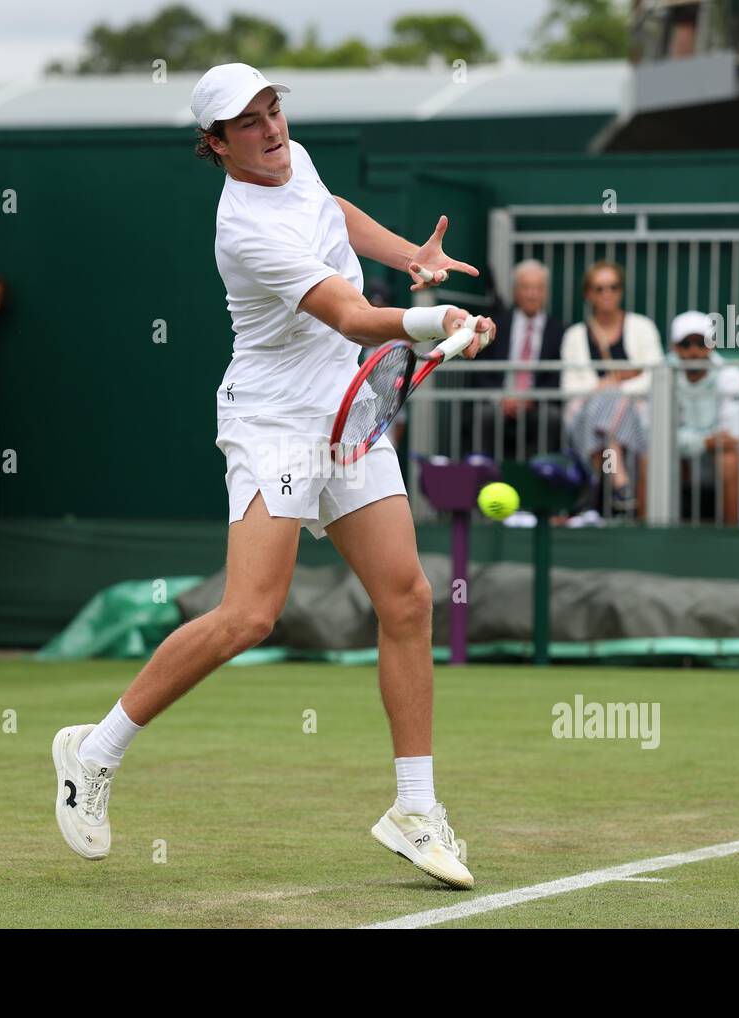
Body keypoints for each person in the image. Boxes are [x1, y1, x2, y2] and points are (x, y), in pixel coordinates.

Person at [50, 64, 495, 890]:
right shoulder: (243, 229)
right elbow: (355, 317)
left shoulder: (295, 157)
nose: (270, 129)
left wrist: (410, 256)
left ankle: (414, 809)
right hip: (274, 424)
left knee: (407, 597)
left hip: (344, 413)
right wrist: (441, 320)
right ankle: (95, 747)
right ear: (215, 146)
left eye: (273, 108)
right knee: (250, 614)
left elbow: (331, 214)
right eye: (247, 123)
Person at [560, 261, 663, 514]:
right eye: (599, 289)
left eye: (613, 287)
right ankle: (620, 484)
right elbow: (570, 386)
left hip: (636, 409)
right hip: (585, 409)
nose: (607, 294)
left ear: (621, 291)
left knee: (607, 410)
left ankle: (593, 494)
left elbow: (656, 377)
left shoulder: (642, 327)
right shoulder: (575, 335)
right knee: (604, 412)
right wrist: (615, 382)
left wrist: (612, 387)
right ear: (588, 294)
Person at [642, 311, 739, 525]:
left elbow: (731, 436)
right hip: (685, 457)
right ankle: (648, 533)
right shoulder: (661, 374)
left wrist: (684, 441)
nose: (694, 351)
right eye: (686, 344)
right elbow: (656, 434)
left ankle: (734, 537)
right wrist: (704, 442)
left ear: (711, 345)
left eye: (701, 343)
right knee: (651, 459)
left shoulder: (730, 374)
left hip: (721, 455)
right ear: (674, 348)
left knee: (729, 460)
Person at [470, 259, 565, 457]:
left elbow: (559, 375)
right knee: (484, 415)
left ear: (545, 293)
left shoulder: (559, 331)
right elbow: (480, 368)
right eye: (526, 287)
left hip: (538, 403)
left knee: (551, 418)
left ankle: (540, 478)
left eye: (537, 288)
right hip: (500, 401)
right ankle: (483, 476)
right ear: (515, 291)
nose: (531, 294)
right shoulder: (496, 325)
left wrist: (532, 398)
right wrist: (502, 398)